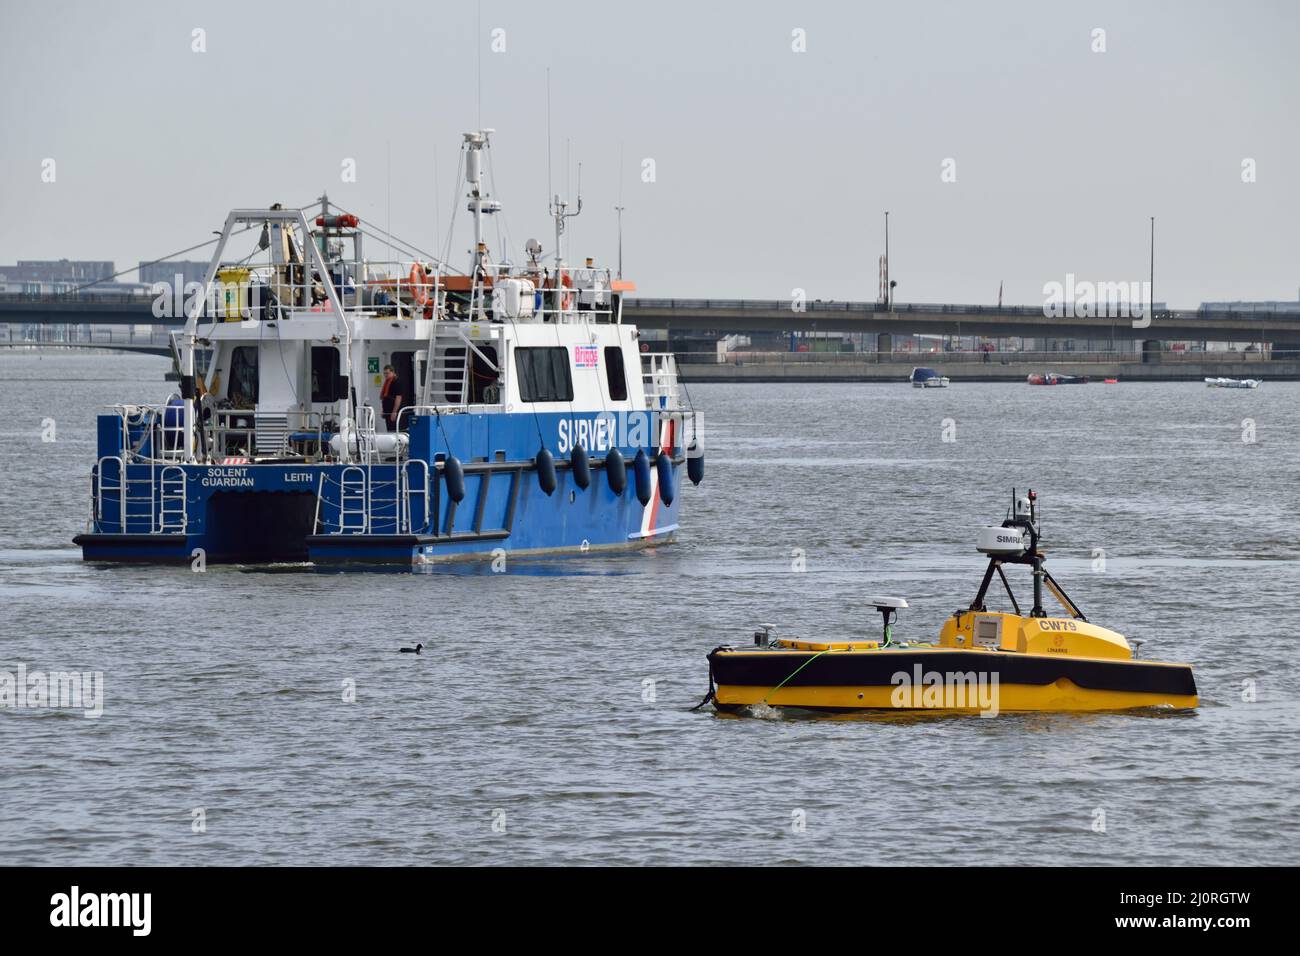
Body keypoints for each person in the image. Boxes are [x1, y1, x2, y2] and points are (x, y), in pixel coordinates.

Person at [379, 364, 403, 431]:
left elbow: (398, 397)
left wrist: (394, 412)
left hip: (392, 410)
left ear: (392, 372)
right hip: (387, 410)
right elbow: (385, 397)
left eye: (387, 373)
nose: (386, 375)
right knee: (389, 428)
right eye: (384, 373)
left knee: (393, 429)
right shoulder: (387, 382)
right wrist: (384, 410)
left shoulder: (396, 382)